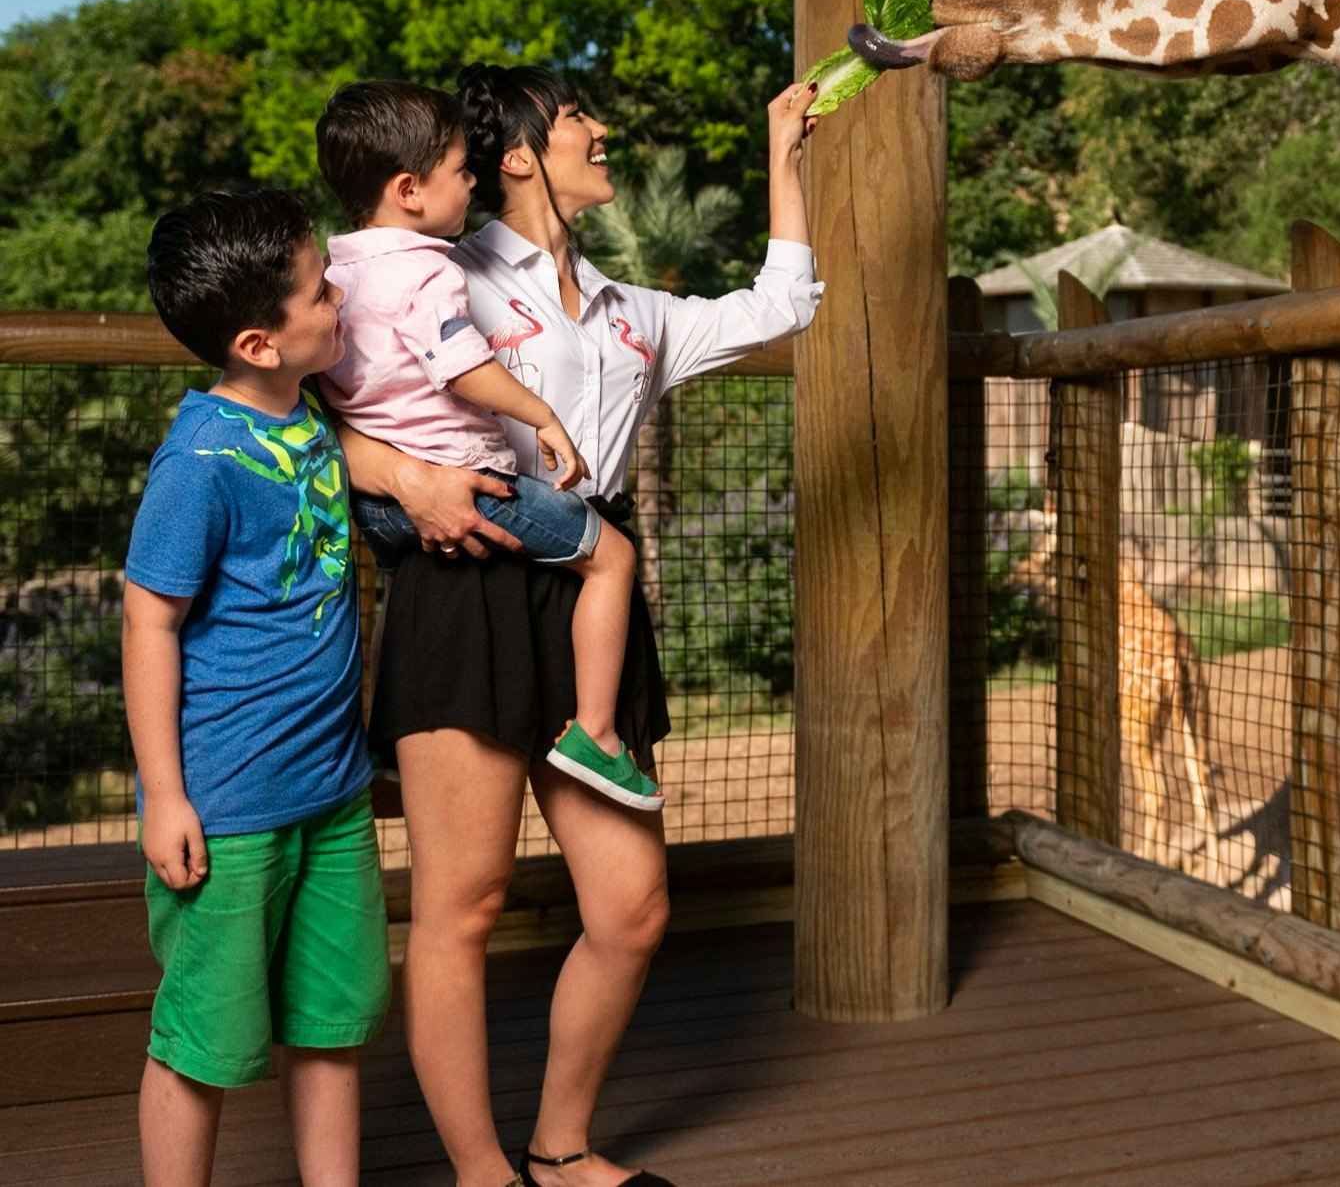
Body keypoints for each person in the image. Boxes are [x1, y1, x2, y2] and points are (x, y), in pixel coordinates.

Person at [340, 66, 822, 1187]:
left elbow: (782, 307)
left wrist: (783, 151)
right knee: (463, 906)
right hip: (466, 582)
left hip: (592, 582)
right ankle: (482, 1175)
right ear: (516, 155)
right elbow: (317, 407)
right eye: (575, 120)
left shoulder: (631, 311)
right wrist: (404, 478)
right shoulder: (432, 265)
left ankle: (560, 1150)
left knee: (631, 907)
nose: (601, 131)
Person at [126, 189, 390, 1187]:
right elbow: (149, 624)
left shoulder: (310, 414)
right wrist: (167, 797)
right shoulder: (198, 462)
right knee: (201, 1042)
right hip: (228, 809)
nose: (339, 297)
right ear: (258, 343)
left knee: (330, 1027)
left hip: (333, 794)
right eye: (321, 290)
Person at [315, 80, 657, 811]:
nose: (473, 181)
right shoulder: (429, 269)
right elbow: (461, 365)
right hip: (473, 486)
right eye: (459, 170)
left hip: (381, 512)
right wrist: (541, 414)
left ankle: (386, 751)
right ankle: (595, 734)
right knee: (613, 557)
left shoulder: (335, 277)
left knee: (403, 594)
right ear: (409, 190)